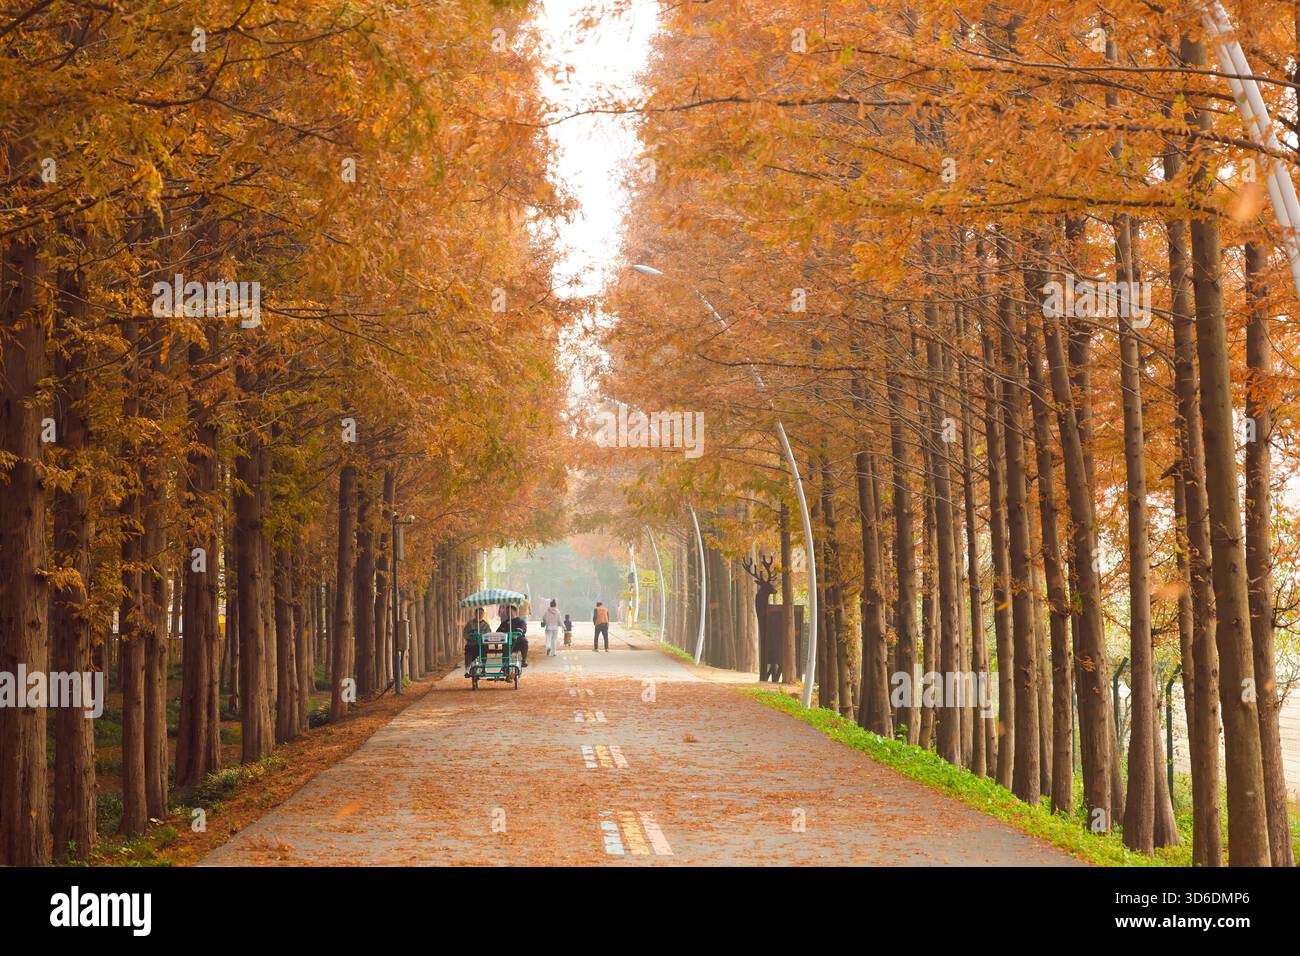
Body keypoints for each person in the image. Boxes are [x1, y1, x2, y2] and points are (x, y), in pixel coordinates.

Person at [463, 608, 490, 676]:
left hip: (482, 644)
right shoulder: (470, 624)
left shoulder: (486, 625)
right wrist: (470, 637)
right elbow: (465, 634)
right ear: (475, 614)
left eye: (481, 613)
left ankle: (483, 668)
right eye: (478, 613)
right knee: (468, 651)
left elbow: (488, 634)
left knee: (484, 650)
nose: (480, 614)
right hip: (472, 644)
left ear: (483, 614)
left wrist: (482, 638)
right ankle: (467, 669)